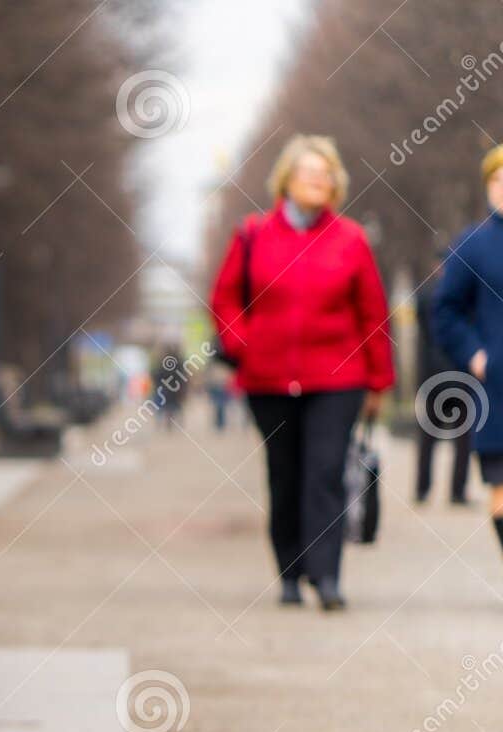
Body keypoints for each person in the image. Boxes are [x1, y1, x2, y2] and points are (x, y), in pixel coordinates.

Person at [210, 135, 393, 611]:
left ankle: (327, 576)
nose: (319, 180)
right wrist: (242, 343)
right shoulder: (253, 234)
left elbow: (373, 312)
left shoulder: (351, 239)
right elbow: (226, 299)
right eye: (310, 172)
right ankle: (290, 572)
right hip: (268, 379)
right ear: (286, 181)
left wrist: (379, 379)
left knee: (325, 474)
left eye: (327, 173)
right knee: (285, 475)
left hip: (338, 378)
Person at [431, 144, 503, 553]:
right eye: (497, 180)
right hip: (498, 388)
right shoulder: (472, 246)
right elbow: (446, 311)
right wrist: (476, 355)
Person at [414, 254, 473, 506]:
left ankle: (422, 488)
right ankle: (457, 491)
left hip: (432, 374)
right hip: (459, 373)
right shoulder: (465, 298)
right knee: (463, 438)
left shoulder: (426, 295)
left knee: (428, 436)